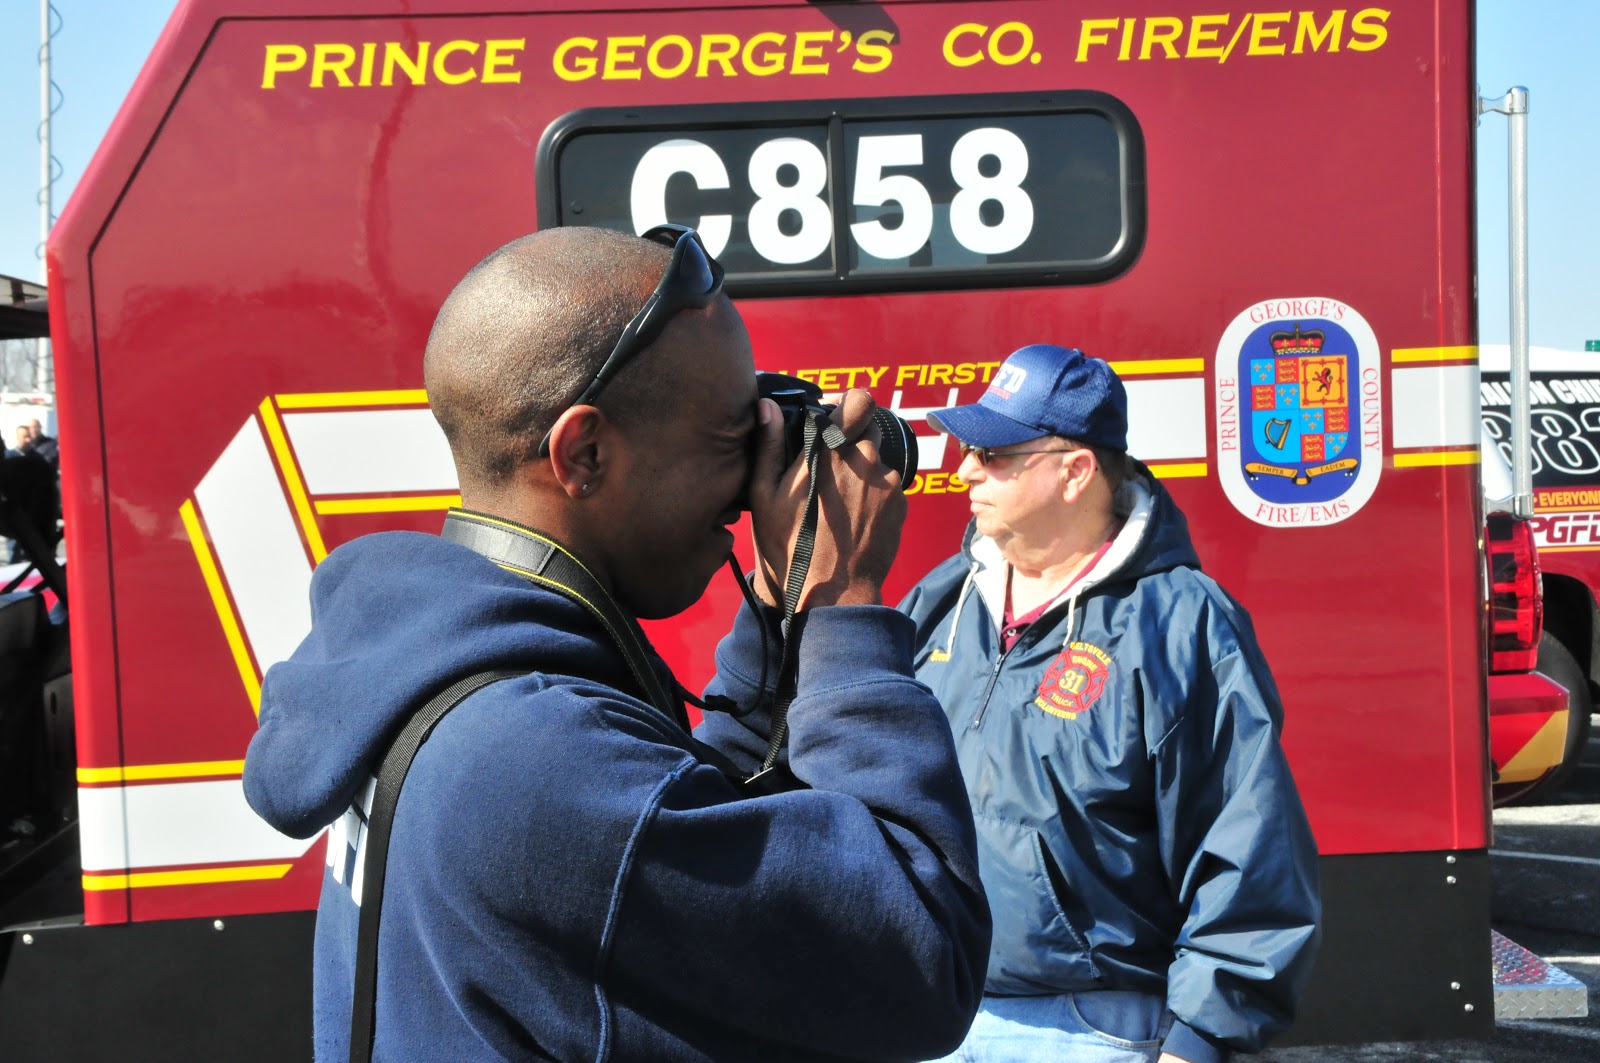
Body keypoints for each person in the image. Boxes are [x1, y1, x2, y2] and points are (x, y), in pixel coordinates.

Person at [242, 225, 990, 1062]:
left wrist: (785, 611)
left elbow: (693, 810)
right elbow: (923, 957)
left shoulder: (433, 676)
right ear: (584, 452)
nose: (752, 485)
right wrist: (847, 604)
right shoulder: (533, 760)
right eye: (732, 437)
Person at [900, 345, 1320, 1063]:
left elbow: (1248, 845)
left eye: (995, 453)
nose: (964, 468)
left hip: (1091, 1030)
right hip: (932, 1014)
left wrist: (1200, 1039)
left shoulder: (1181, 622)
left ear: (1074, 470)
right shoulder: (946, 598)